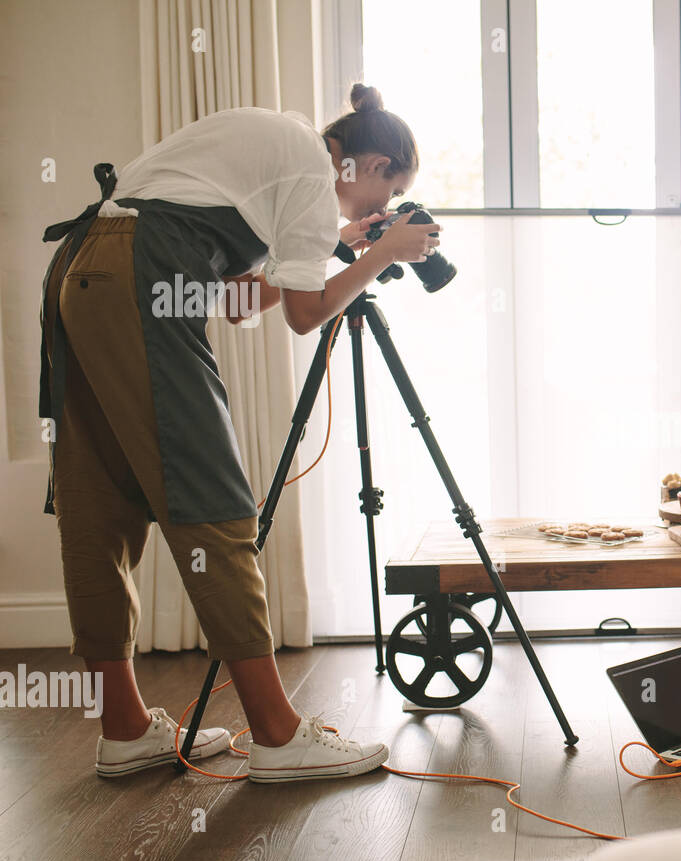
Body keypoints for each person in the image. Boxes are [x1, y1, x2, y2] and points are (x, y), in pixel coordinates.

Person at [38, 84, 439, 782]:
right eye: (387, 193)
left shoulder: (282, 148)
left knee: (98, 507)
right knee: (212, 500)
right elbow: (306, 316)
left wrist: (340, 244)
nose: (379, 211)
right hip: (137, 271)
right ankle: (279, 737)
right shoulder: (315, 172)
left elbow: (235, 300)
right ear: (368, 163)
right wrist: (383, 254)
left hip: (83, 273)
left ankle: (126, 728)